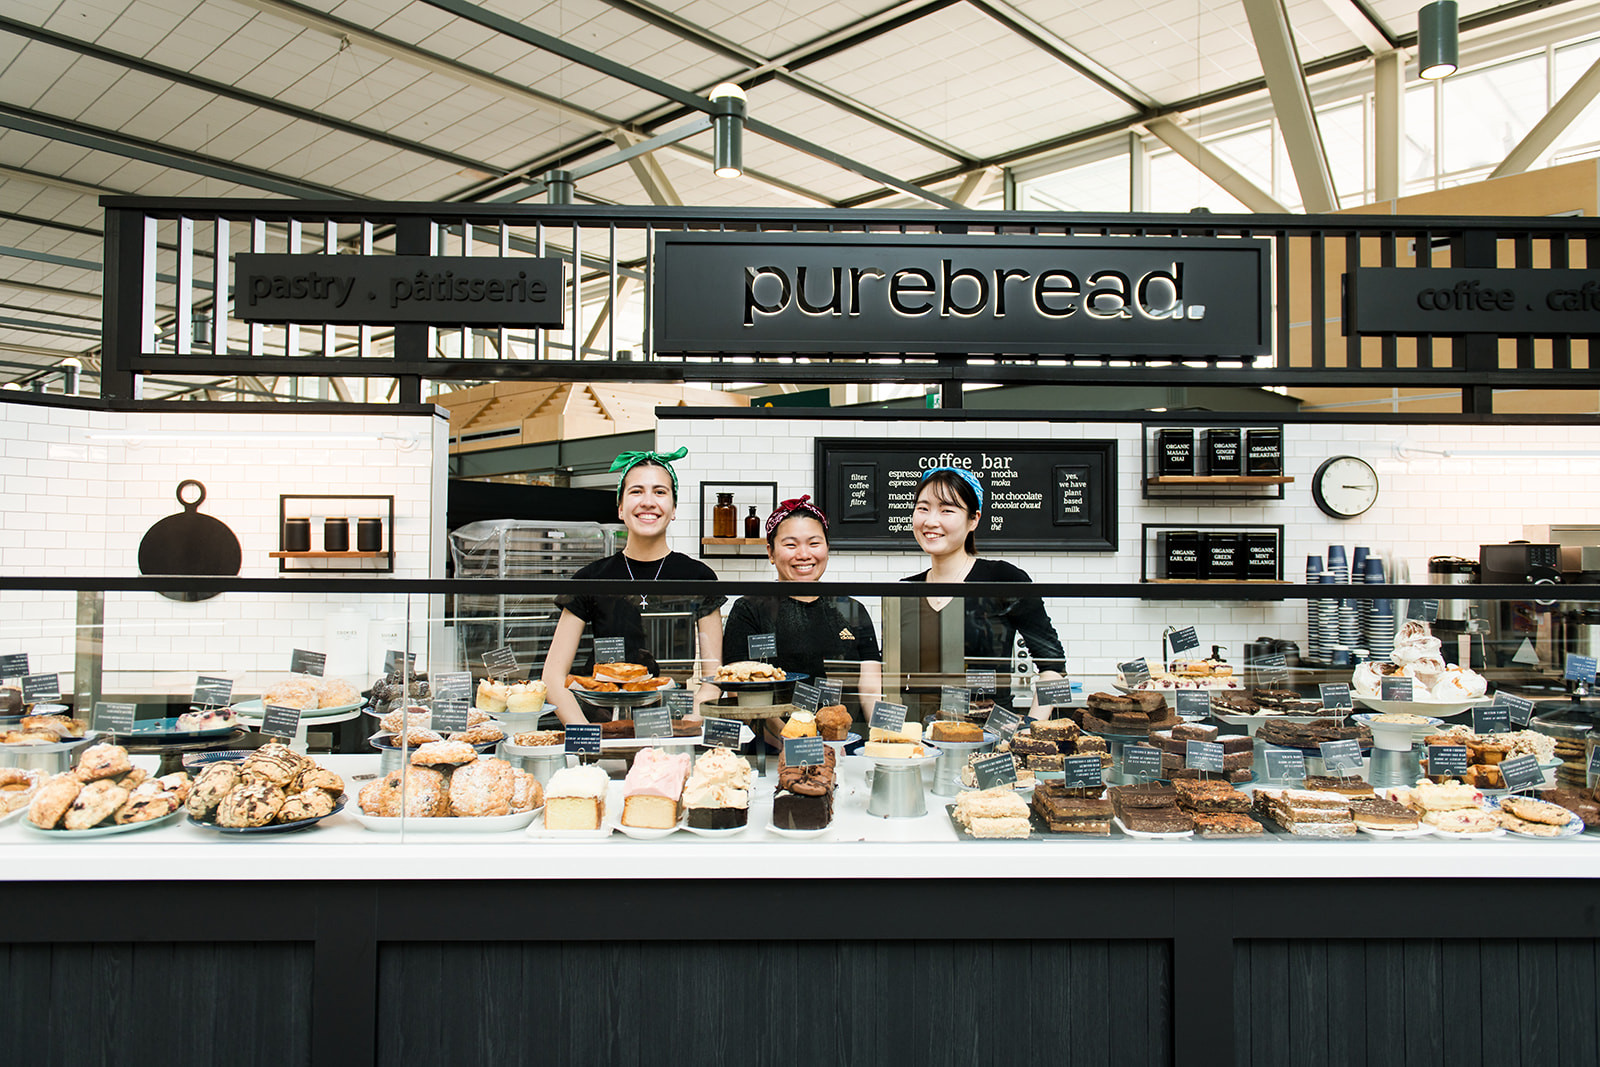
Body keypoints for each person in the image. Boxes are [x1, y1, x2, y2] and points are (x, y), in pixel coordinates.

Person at [541, 447, 724, 725]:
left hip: (671, 719)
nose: (648, 501)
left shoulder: (699, 577)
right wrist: (587, 735)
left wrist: (692, 718)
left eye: (660, 492)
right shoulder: (590, 579)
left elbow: (713, 677)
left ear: (673, 509)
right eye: (636, 491)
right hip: (599, 720)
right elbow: (552, 677)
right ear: (620, 507)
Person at [900, 466, 1066, 717]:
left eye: (947, 510)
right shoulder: (904, 590)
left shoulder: (1004, 580)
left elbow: (1054, 665)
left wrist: (1030, 729)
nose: (931, 521)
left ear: (974, 519)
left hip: (991, 739)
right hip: (920, 742)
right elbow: (894, 675)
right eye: (923, 508)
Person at [721, 496, 883, 746]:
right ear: (771, 553)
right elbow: (740, 693)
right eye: (791, 544)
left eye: (814, 543)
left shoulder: (852, 610)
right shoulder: (749, 609)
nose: (804, 554)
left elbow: (871, 689)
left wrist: (884, 740)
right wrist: (798, 746)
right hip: (775, 749)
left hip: (845, 746)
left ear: (827, 548)